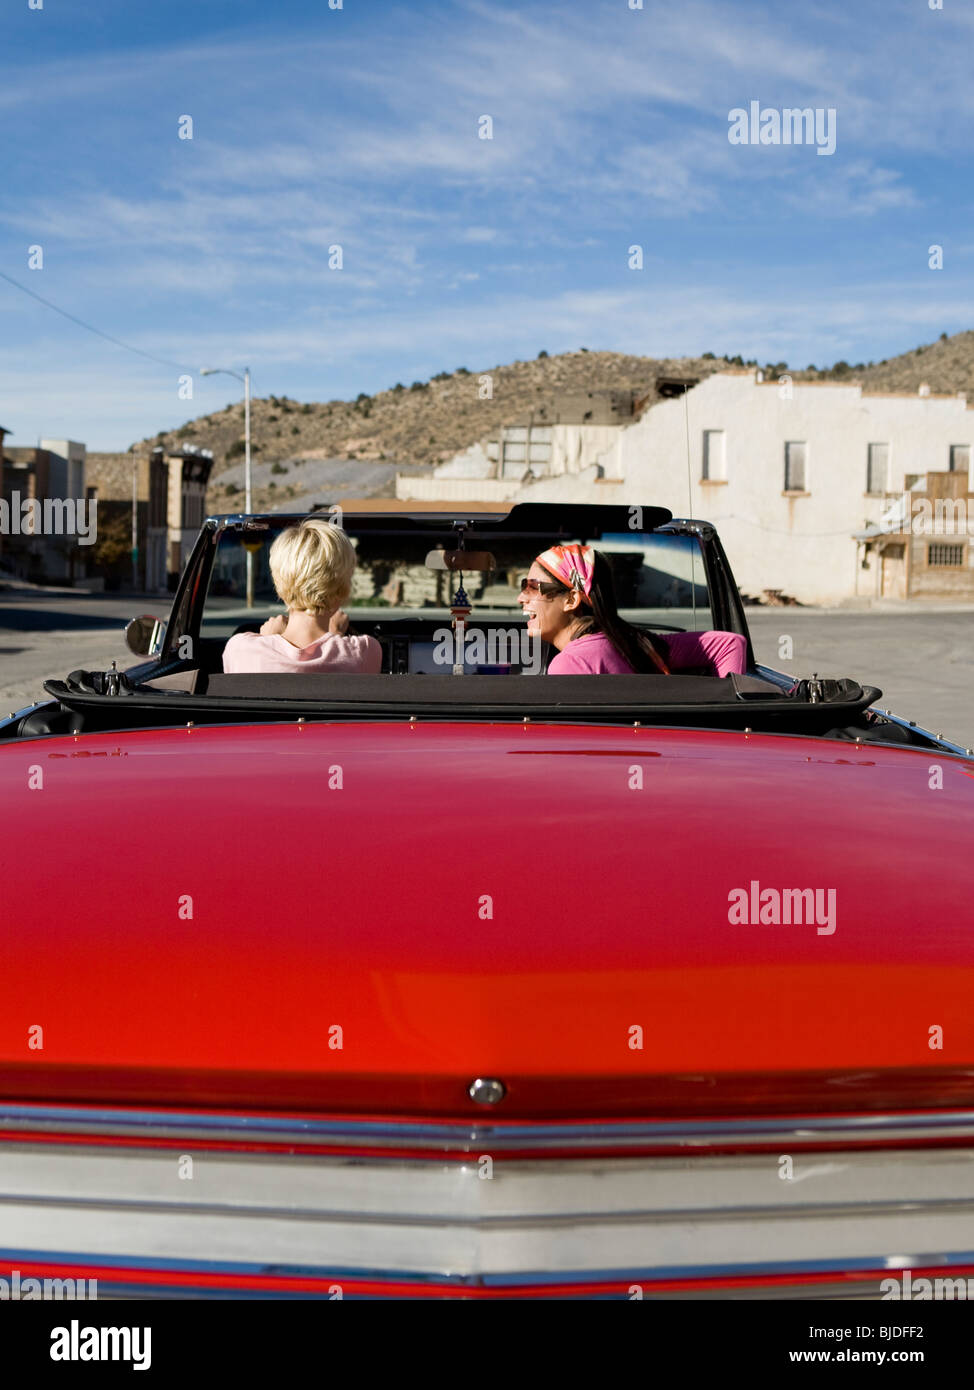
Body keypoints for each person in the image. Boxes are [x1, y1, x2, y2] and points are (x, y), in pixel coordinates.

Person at [518, 542, 747, 677]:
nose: (521, 598)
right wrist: (724, 719)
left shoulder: (568, 665)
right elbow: (730, 644)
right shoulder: (638, 644)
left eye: (531, 587)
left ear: (571, 600)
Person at [222, 518, 382, 674]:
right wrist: (335, 635)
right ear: (343, 588)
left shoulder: (239, 649)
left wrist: (267, 639)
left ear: (278, 582)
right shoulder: (365, 651)